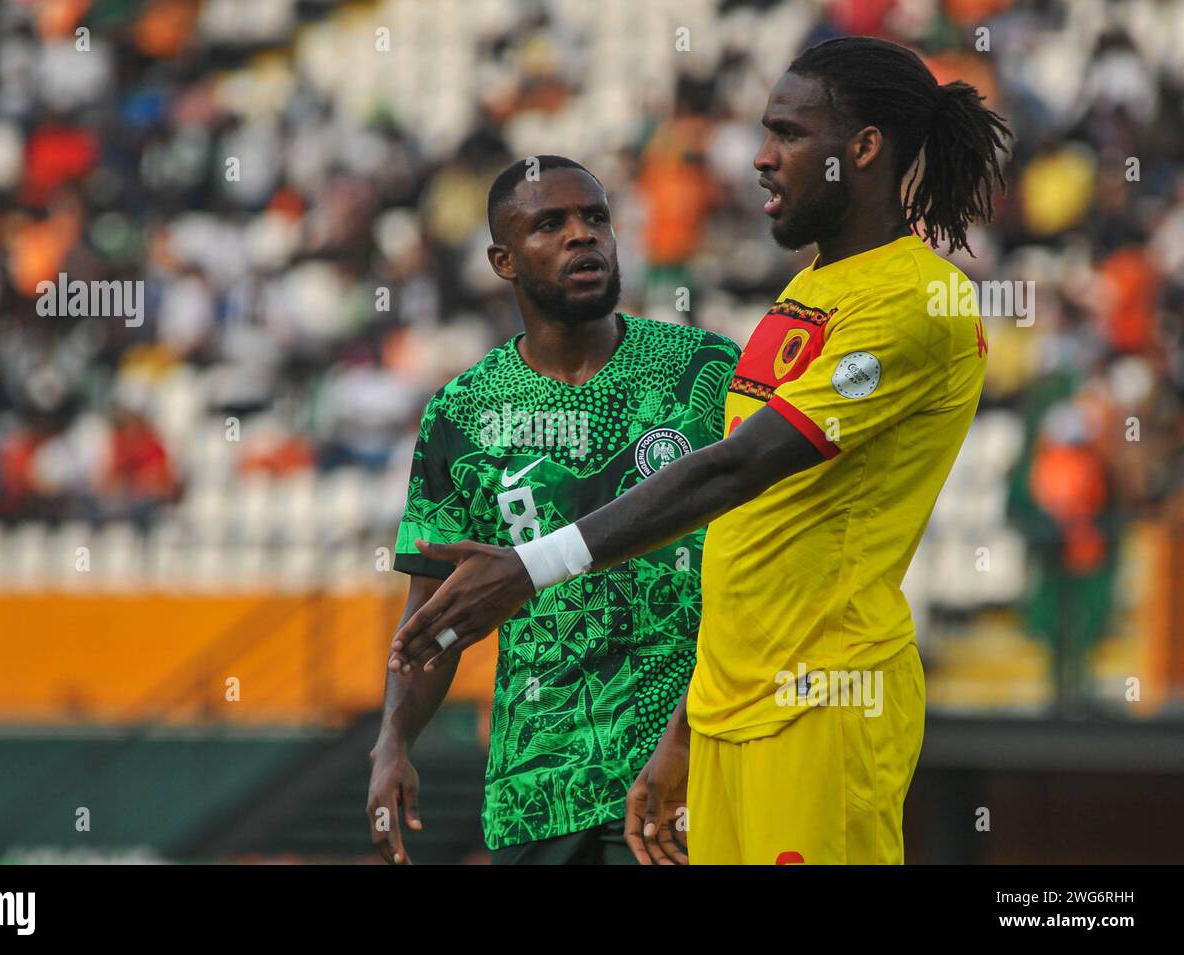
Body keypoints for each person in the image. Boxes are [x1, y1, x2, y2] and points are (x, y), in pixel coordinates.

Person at [388, 37, 1012, 865]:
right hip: (724, 707)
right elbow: (744, 533)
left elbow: (737, 468)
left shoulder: (919, 300)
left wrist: (532, 565)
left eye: (788, 134)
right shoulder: (814, 288)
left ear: (860, 150)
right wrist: (689, 727)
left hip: (822, 694)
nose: (759, 158)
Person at [367, 155, 739, 864]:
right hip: (538, 788)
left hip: (687, 774)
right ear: (503, 260)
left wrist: (693, 736)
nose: (582, 236)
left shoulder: (707, 374)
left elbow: (765, 555)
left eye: (594, 218)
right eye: (550, 224)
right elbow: (432, 615)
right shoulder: (463, 412)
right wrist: (392, 741)